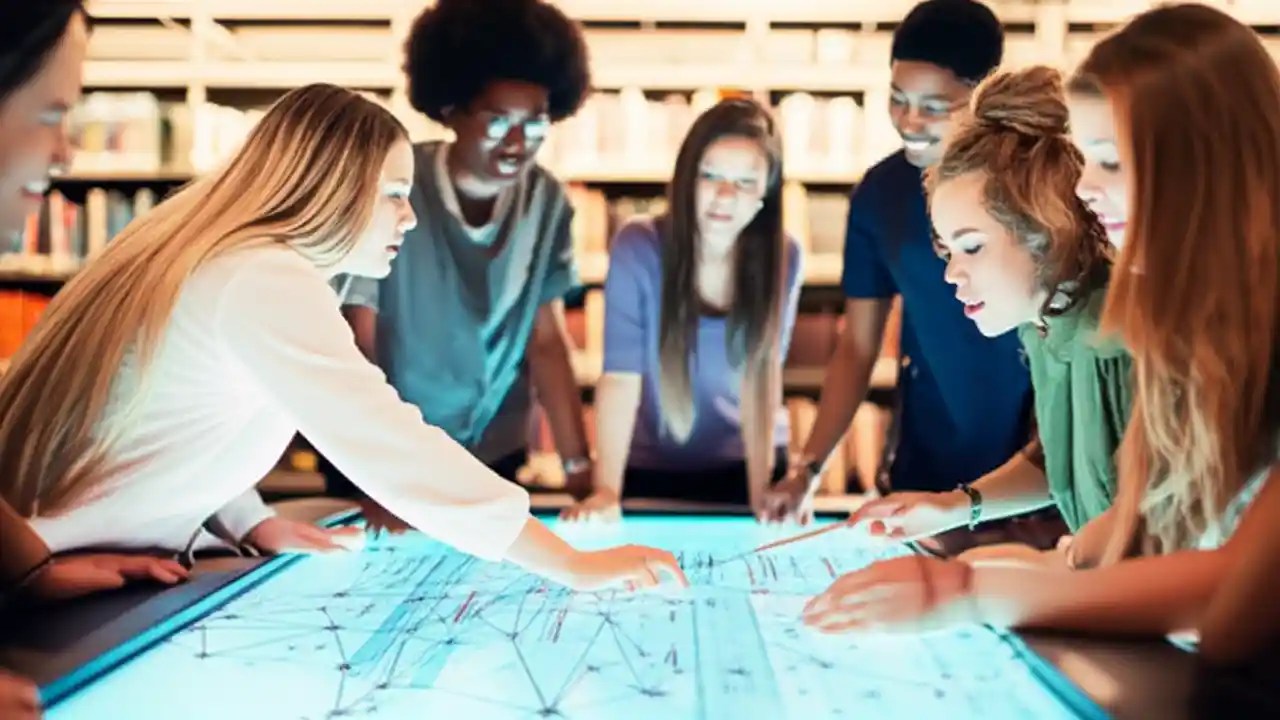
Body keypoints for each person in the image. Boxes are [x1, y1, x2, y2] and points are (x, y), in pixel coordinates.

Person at [0, 85, 688, 618]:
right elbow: (384, 442)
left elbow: (182, 417)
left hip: (58, 559)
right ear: (326, 187)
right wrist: (569, 562)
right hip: (45, 577)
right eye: (392, 194)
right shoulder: (264, 276)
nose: (409, 218)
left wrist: (253, 521)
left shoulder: (233, 262)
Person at [800, 5, 1279, 663]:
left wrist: (972, 587)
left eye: (1107, 159)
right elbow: (1151, 521)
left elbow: (1230, 578)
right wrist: (1012, 560)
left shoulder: (1165, 332)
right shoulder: (1186, 330)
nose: (1083, 187)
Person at [757, 0, 1041, 540]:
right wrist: (808, 469)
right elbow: (858, 346)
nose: (910, 120)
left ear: (984, 100)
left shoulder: (1032, 188)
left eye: (936, 106)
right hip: (926, 465)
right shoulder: (881, 195)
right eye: (898, 99)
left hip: (1034, 474)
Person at [328, 0, 593, 527]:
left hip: (491, 453)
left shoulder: (548, 202)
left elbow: (547, 341)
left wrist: (583, 475)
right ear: (450, 108)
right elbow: (359, 340)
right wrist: (378, 472)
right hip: (382, 455)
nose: (518, 144)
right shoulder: (395, 185)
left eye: (535, 124)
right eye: (498, 122)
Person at [846, 67, 1127, 556]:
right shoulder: (1047, 326)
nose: (952, 275)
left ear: (1045, 228)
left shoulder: (1127, 335)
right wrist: (956, 506)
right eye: (947, 251)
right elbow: (1063, 457)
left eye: (972, 247)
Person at [559, 98, 802, 521]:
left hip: (748, 465)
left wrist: (762, 491)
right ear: (686, 179)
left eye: (745, 182)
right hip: (649, 469)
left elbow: (762, 379)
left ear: (767, 193)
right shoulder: (639, 247)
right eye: (710, 176)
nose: (725, 196)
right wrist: (605, 491)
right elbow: (619, 378)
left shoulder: (785, 257)